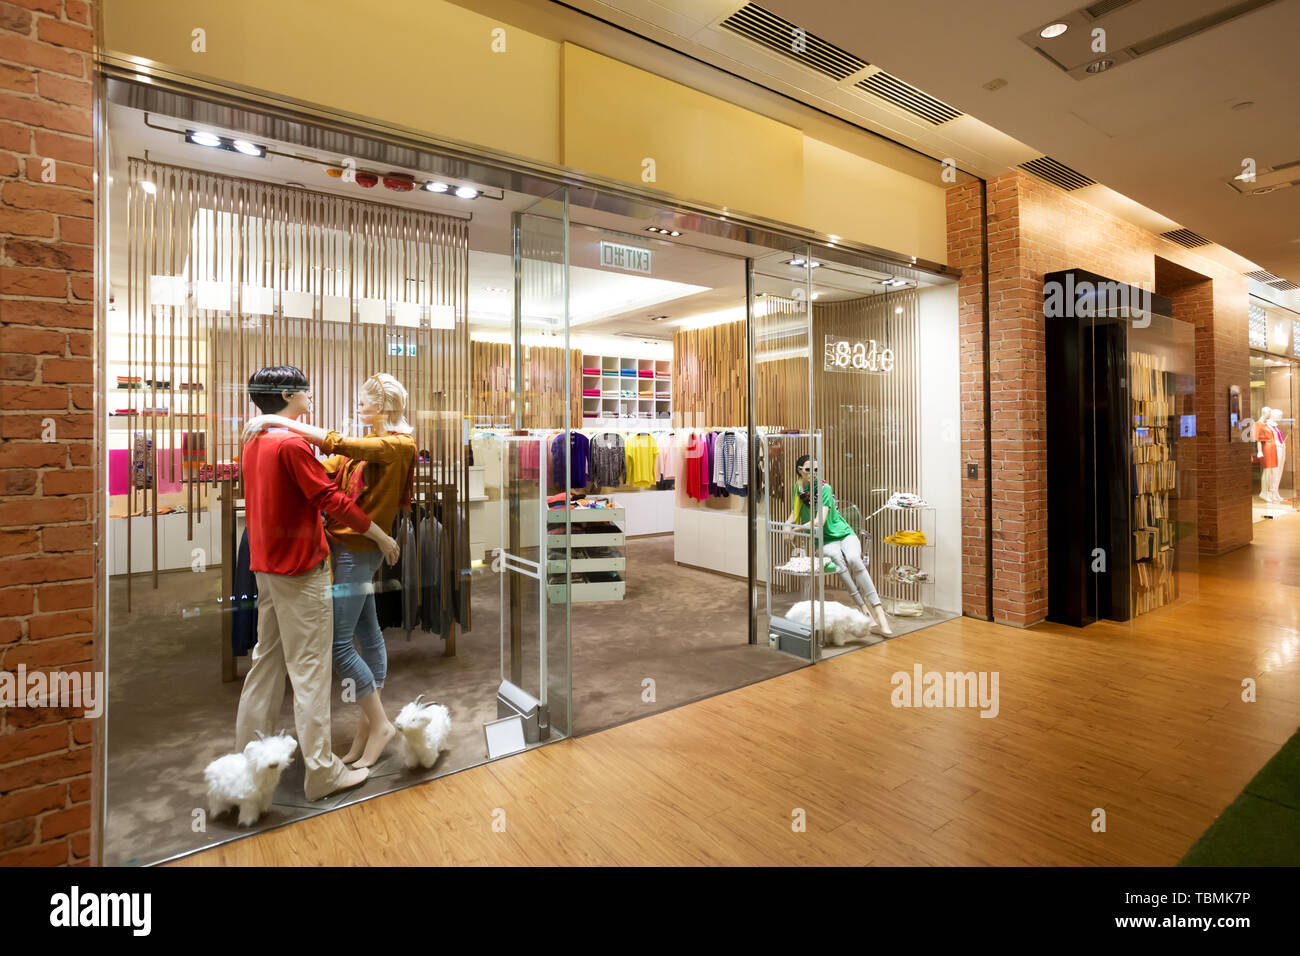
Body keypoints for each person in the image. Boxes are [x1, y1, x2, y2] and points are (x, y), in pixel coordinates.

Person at [236, 366, 400, 801]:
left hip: (266, 567)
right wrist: (380, 535)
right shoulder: (290, 444)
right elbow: (331, 498)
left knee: (266, 663)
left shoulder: (255, 439)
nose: (311, 396)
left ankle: (249, 759)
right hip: (299, 567)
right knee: (310, 671)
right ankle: (322, 774)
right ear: (289, 394)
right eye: (305, 390)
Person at [786, 454, 892, 636]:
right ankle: (862, 607)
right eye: (809, 470)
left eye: (817, 470)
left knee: (854, 560)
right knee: (837, 561)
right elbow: (794, 512)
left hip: (843, 533)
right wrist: (788, 525)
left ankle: (880, 613)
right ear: (799, 471)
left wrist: (795, 529)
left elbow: (820, 520)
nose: (813, 473)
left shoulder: (824, 488)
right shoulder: (798, 487)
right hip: (824, 540)